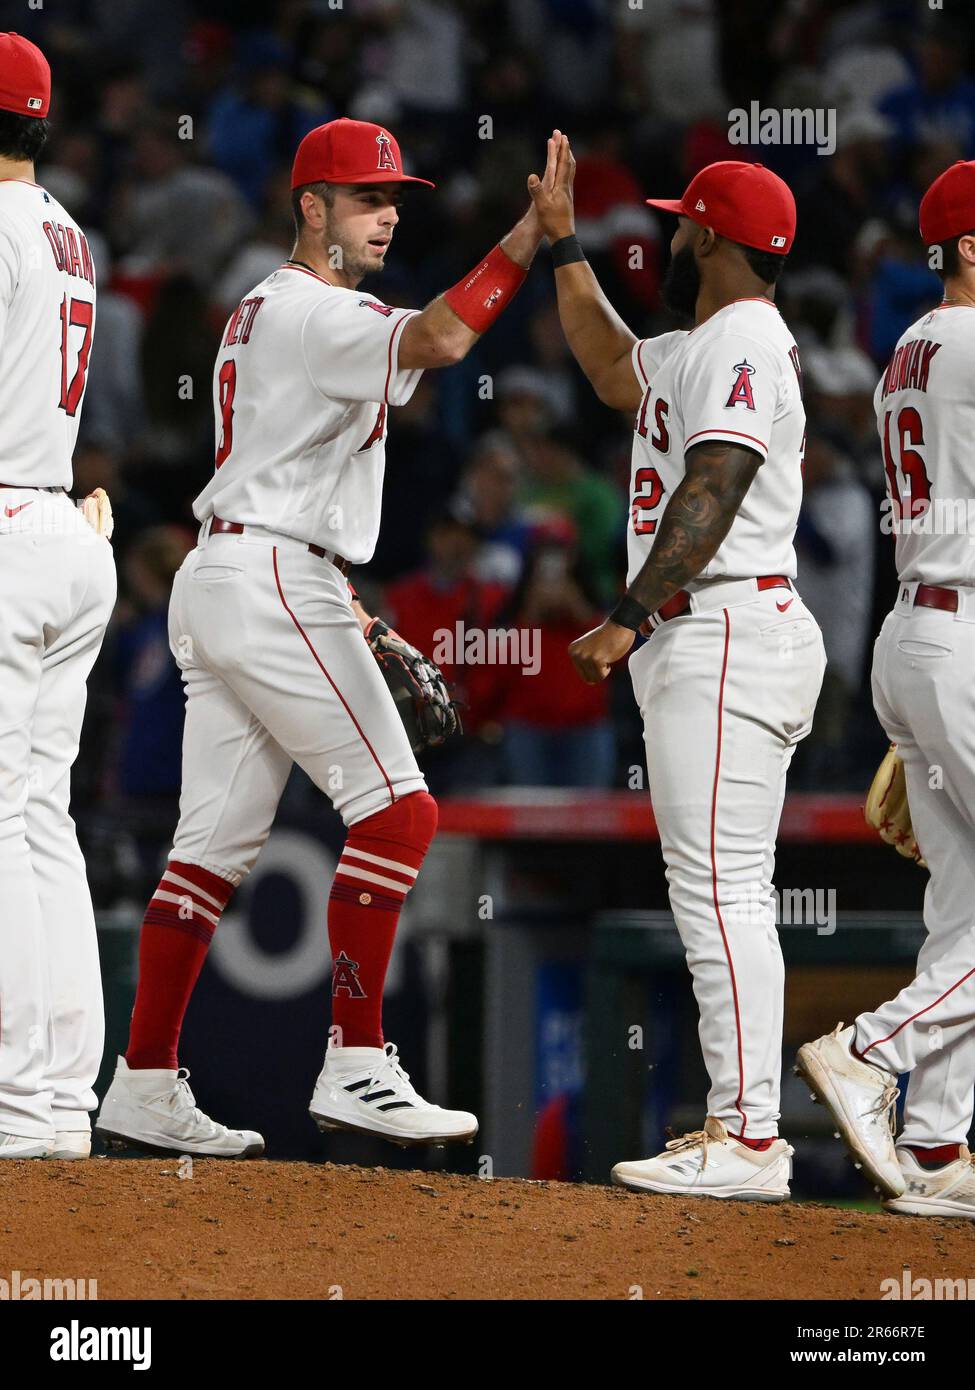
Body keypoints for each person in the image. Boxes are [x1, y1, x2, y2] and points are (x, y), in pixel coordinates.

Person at [95, 117, 543, 1157]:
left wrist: (346, 602)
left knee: (207, 852)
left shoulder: (265, 310)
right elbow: (440, 337)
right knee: (399, 813)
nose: (388, 214)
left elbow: (295, 464)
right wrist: (528, 238)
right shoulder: (316, 310)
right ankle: (355, 1058)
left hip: (233, 572)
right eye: (364, 197)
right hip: (271, 573)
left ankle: (146, 1079)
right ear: (311, 207)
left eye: (395, 199)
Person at [529, 133, 825, 1199]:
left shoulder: (742, 337)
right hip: (714, 630)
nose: (672, 225)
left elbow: (720, 473)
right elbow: (614, 366)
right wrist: (565, 247)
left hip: (726, 623)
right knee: (720, 888)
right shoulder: (704, 341)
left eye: (686, 216)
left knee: (724, 892)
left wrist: (627, 614)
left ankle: (749, 1135)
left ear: (712, 234)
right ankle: (742, 1128)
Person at [797, 161, 975, 1222]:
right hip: (958, 633)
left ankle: (939, 1143)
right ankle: (871, 1049)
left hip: (917, 633)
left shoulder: (910, 347)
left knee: (962, 913)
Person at [0, 33, 116, 1160]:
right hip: (63, 523)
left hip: (9, 524)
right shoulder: (69, 230)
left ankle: (14, 1102)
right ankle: (56, 1103)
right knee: (40, 820)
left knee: (6, 819)